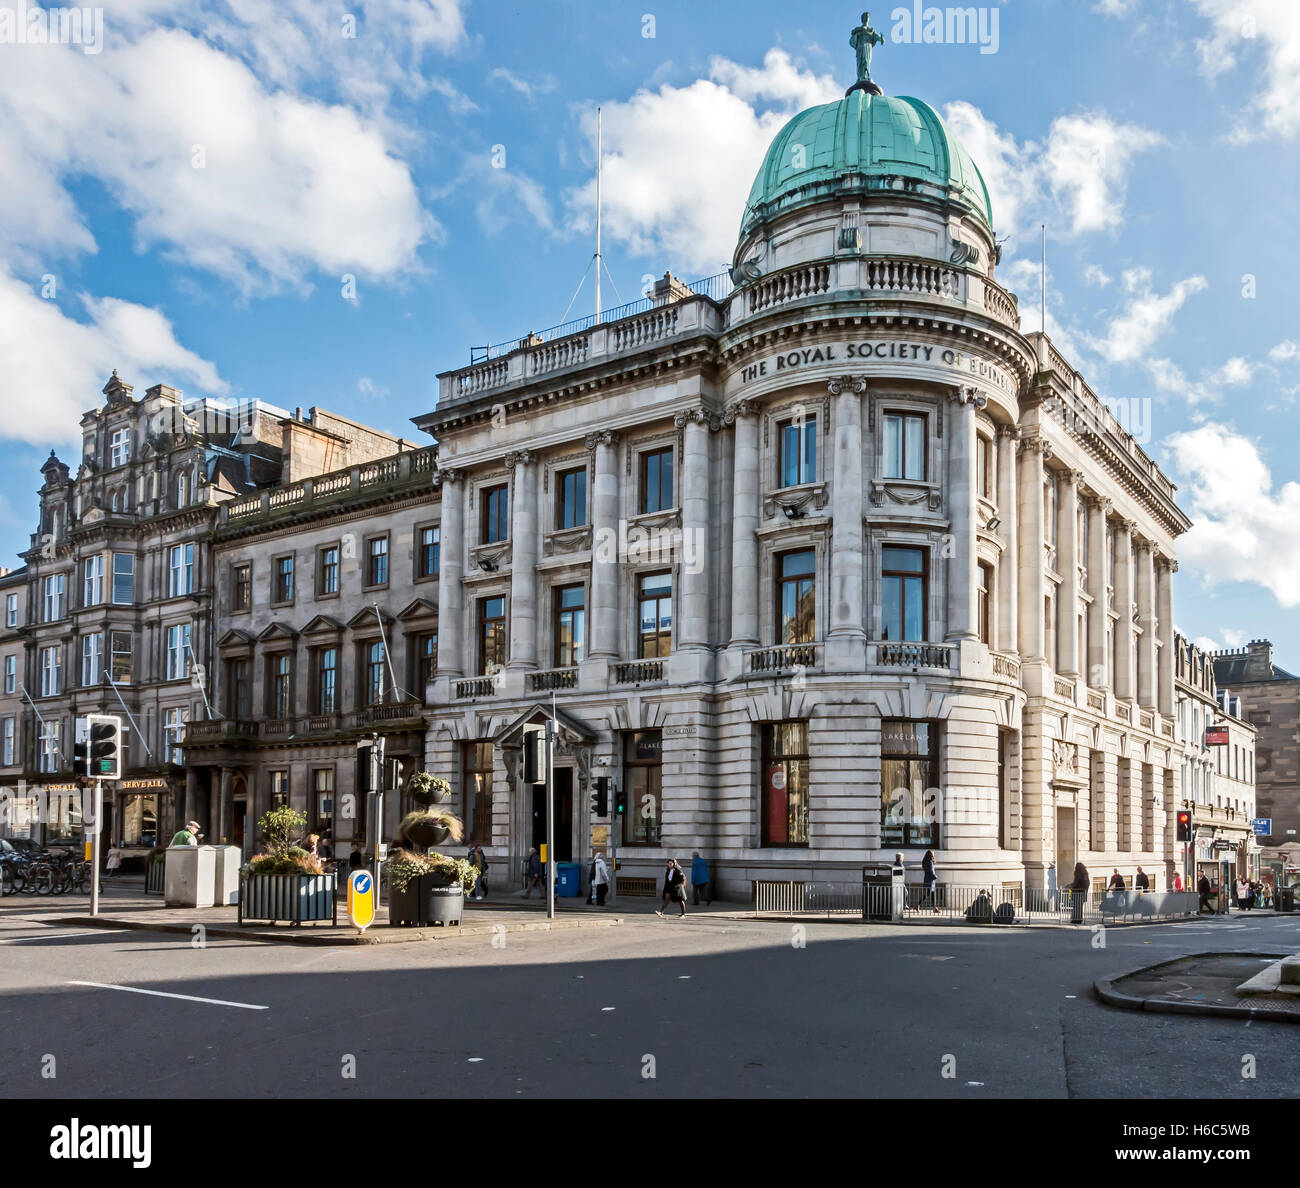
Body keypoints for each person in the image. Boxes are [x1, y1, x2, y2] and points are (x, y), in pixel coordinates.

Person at [921, 849, 939, 913]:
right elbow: (931, 872)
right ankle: (917, 905)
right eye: (933, 854)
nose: (934, 855)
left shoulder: (926, 861)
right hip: (930, 881)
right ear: (930, 855)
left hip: (927, 880)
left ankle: (935, 908)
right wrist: (935, 877)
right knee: (928, 894)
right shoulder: (930, 862)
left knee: (931, 894)